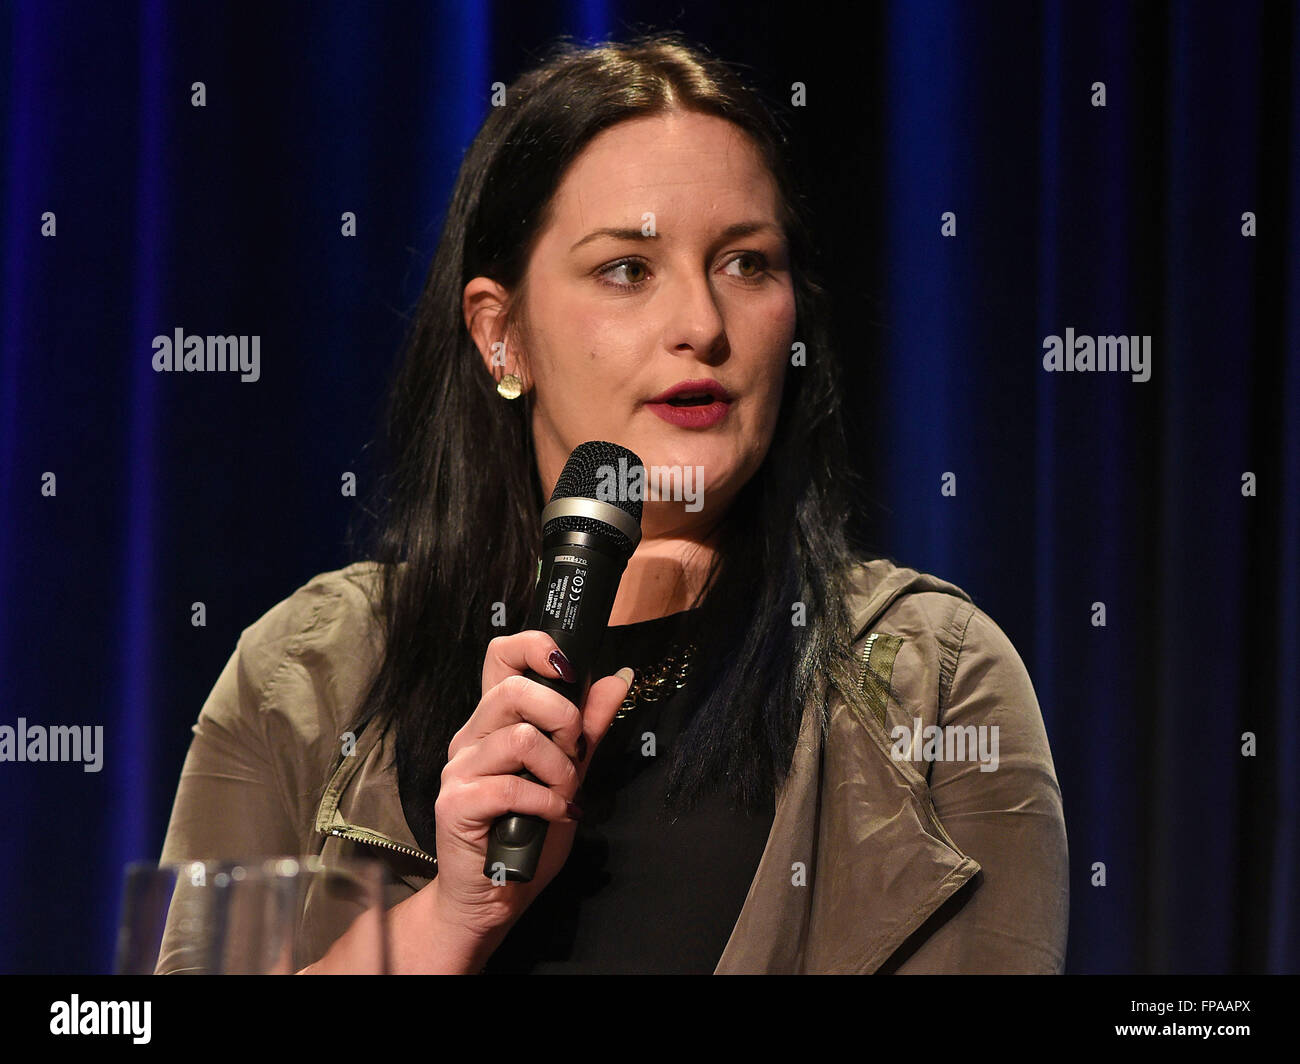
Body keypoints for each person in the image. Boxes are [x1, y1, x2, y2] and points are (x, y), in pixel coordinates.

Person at [158, 32, 1069, 974]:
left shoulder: (934, 681)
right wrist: (447, 920)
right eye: (627, 270)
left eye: (747, 263)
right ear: (500, 334)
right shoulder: (303, 680)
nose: (702, 326)